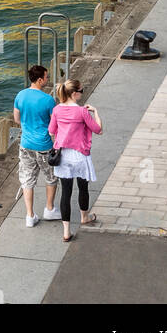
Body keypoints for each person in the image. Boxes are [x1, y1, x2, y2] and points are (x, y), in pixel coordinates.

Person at [48, 79, 102, 242]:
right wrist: (96, 112)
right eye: (81, 91)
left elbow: (51, 131)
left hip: (63, 156)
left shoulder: (57, 110)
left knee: (66, 192)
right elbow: (98, 129)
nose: (82, 94)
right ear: (74, 93)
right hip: (80, 155)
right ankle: (84, 217)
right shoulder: (82, 112)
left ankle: (66, 231)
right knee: (83, 187)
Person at [13, 64, 60, 227]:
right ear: (40, 80)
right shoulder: (48, 100)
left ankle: (30, 216)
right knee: (51, 177)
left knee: (27, 179)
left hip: (26, 144)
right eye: (46, 77)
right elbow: (54, 125)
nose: (48, 80)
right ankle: (49, 209)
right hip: (44, 145)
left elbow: (17, 119)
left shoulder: (20, 95)